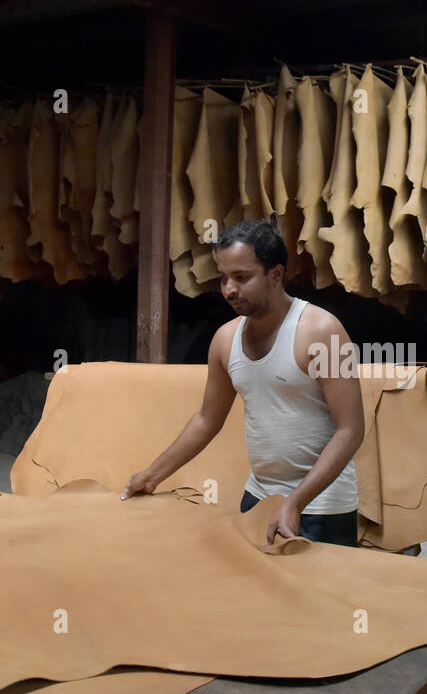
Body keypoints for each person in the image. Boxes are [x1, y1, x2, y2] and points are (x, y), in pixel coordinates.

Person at [121, 219, 365, 546]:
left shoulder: (321, 332)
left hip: (322, 507)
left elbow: (350, 429)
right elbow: (207, 420)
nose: (229, 289)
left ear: (276, 274)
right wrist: (152, 475)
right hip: (258, 498)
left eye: (241, 277)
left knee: (319, 598)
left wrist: (294, 503)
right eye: (223, 278)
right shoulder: (225, 340)